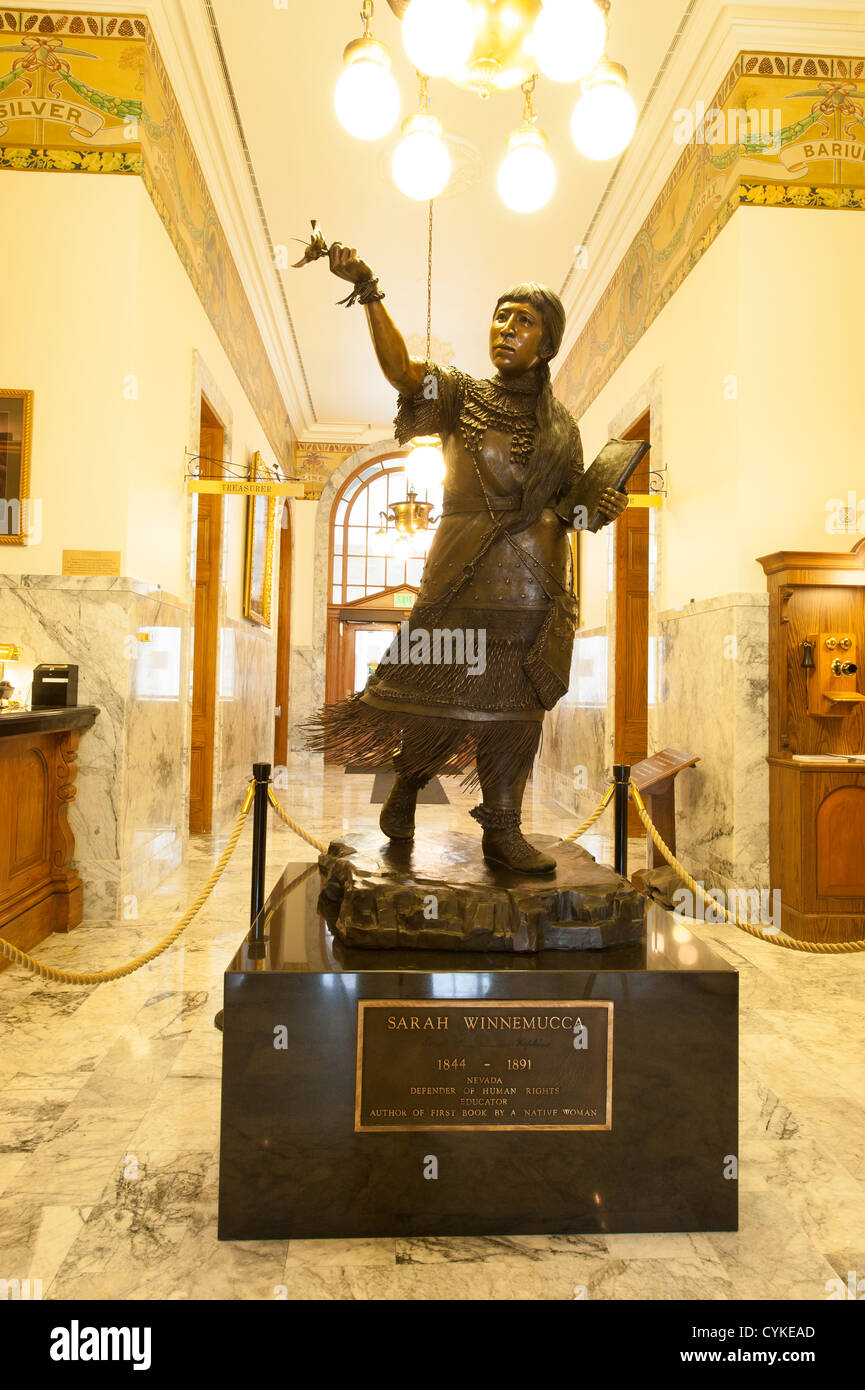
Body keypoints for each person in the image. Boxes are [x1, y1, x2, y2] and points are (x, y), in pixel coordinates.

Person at [307, 243, 627, 873]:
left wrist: (600, 508)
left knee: (516, 713)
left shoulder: (563, 426)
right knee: (437, 696)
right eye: (500, 318)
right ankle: (405, 789)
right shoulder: (459, 395)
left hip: (534, 596)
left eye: (523, 322)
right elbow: (402, 372)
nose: (505, 331)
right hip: (460, 580)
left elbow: (569, 511)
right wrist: (369, 287)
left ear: (548, 343)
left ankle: (502, 829)